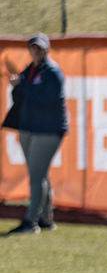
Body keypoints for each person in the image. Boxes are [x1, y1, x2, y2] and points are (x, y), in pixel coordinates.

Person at [5, 33, 67, 234]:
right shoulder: (29, 70)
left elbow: (48, 99)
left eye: (39, 47)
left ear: (47, 49)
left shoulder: (52, 72)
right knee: (38, 174)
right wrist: (16, 86)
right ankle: (46, 219)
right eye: (33, 47)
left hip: (47, 130)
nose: (36, 51)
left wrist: (23, 86)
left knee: (36, 176)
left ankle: (30, 221)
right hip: (29, 127)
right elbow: (21, 97)